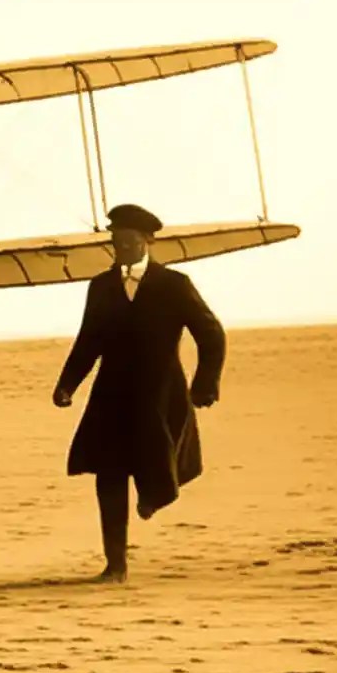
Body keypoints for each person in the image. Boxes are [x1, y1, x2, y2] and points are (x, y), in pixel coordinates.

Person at [51, 203, 226, 584]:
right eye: (117, 244)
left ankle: (155, 497)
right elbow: (88, 341)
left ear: (147, 240)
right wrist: (67, 384)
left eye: (129, 242)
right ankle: (116, 566)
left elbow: (211, 333)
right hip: (111, 396)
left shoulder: (175, 285)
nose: (122, 249)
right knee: (108, 476)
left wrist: (206, 382)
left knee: (157, 463)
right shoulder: (100, 287)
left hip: (160, 394)